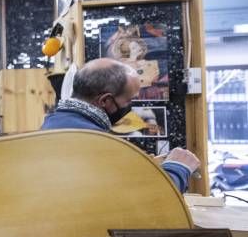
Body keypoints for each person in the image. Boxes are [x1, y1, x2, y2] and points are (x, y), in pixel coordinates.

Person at [40, 58, 198, 193]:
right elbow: (156, 199)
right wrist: (177, 167)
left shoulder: (52, 123)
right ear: (104, 100)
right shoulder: (95, 140)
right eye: (128, 101)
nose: (128, 107)